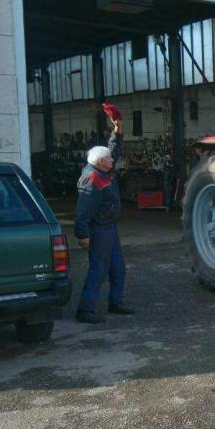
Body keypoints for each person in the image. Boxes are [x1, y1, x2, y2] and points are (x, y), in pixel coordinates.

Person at [74, 116, 134, 323]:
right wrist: (83, 235)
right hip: (99, 230)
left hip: (110, 229)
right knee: (98, 269)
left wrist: (117, 131)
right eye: (109, 159)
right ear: (101, 162)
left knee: (118, 267)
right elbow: (83, 211)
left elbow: (113, 151)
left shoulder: (101, 169)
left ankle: (115, 302)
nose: (113, 160)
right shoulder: (92, 179)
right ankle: (85, 310)